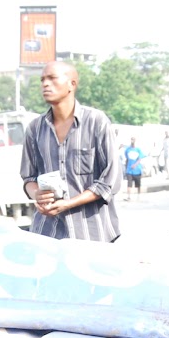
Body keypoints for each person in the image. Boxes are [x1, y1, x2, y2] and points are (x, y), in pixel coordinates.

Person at [19, 60, 122, 241]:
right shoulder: (35, 129)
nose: (45, 84)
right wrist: (37, 195)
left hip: (91, 235)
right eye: (42, 80)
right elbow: (28, 178)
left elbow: (111, 181)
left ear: (72, 84)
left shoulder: (96, 122)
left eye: (52, 78)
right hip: (46, 233)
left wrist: (68, 204)